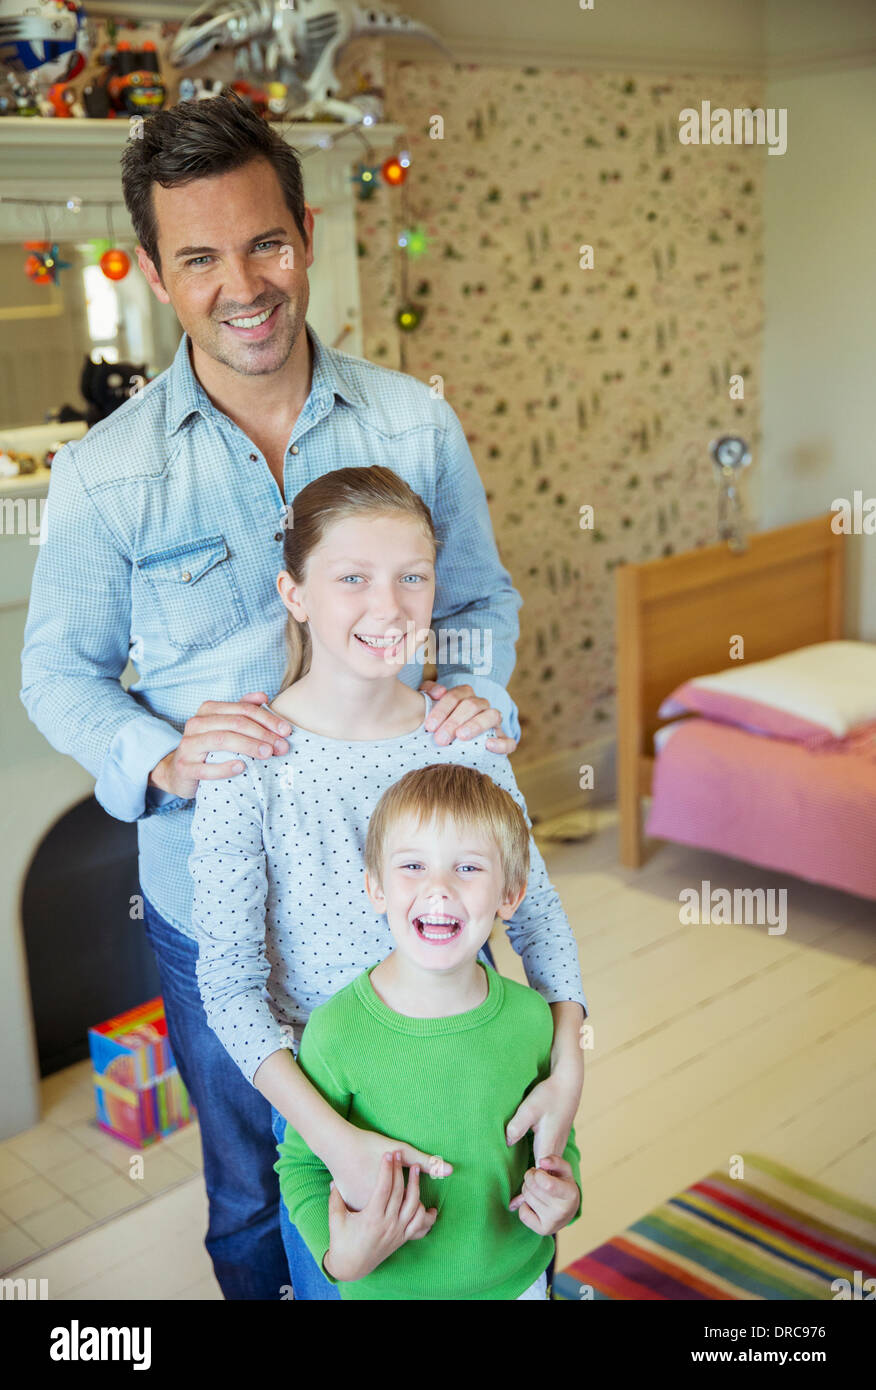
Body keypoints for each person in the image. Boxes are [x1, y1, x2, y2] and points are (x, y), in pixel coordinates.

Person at [19, 89, 528, 1300]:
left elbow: (478, 604)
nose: (241, 284)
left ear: (303, 231)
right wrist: (163, 755)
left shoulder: (415, 422)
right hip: (217, 912)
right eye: (198, 256)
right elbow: (55, 672)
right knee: (253, 1190)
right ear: (152, 269)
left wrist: (470, 691)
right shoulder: (106, 475)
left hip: (416, 888)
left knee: (447, 1156)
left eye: (264, 243)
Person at [188, 465, 588, 1300]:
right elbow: (228, 986)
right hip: (338, 1124)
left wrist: (569, 1066)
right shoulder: (245, 765)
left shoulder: (464, 737)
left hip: (476, 1090)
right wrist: (335, 1142)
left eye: (413, 577)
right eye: (353, 579)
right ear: (293, 593)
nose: (390, 605)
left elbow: (539, 919)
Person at [274, 761, 583, 1301]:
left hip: (519, 1283)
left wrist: (564, 1193)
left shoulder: (533, 1019)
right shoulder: (336, 1031)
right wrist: (337, 1253)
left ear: (510, 895)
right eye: (413, 865)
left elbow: (557, 1135)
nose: (438, 889)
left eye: (467, 868)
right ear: (375, 887)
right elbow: (301, 1164)